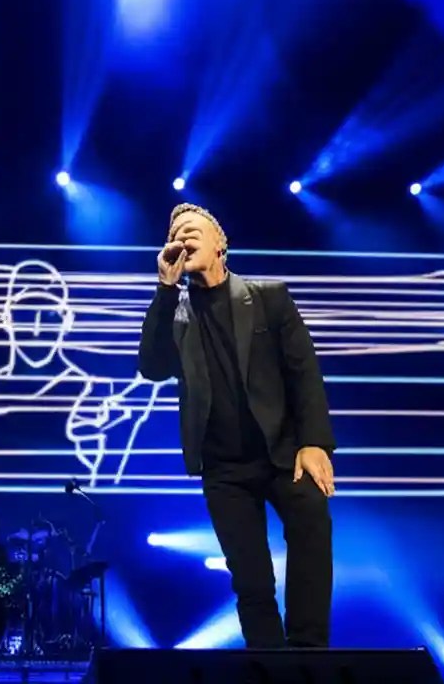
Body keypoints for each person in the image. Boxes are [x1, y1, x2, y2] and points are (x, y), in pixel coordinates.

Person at [138, 203, 337, 648]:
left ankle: (309, 651)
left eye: (192, 229)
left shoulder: (268, 296)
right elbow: (151, 366)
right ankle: (270, 664)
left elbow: (303, 371)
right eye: (176, 232)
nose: (183, 236)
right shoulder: (178, 313)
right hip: (223, 466)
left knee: (312, 524)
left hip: (283, 451)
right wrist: (165, 289)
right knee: (251, 578)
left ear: (220, 244)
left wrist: (314, 442)